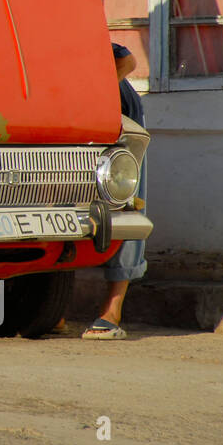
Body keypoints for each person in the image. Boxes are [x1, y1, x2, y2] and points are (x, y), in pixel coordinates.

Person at [80, 42, 147, 339]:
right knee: (66, 204)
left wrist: (96, 94)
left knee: (123, 204)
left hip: (120, 116)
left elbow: (127, 60)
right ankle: (53, 310)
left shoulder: (71, 22)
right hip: (69, 116)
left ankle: (113, 309)